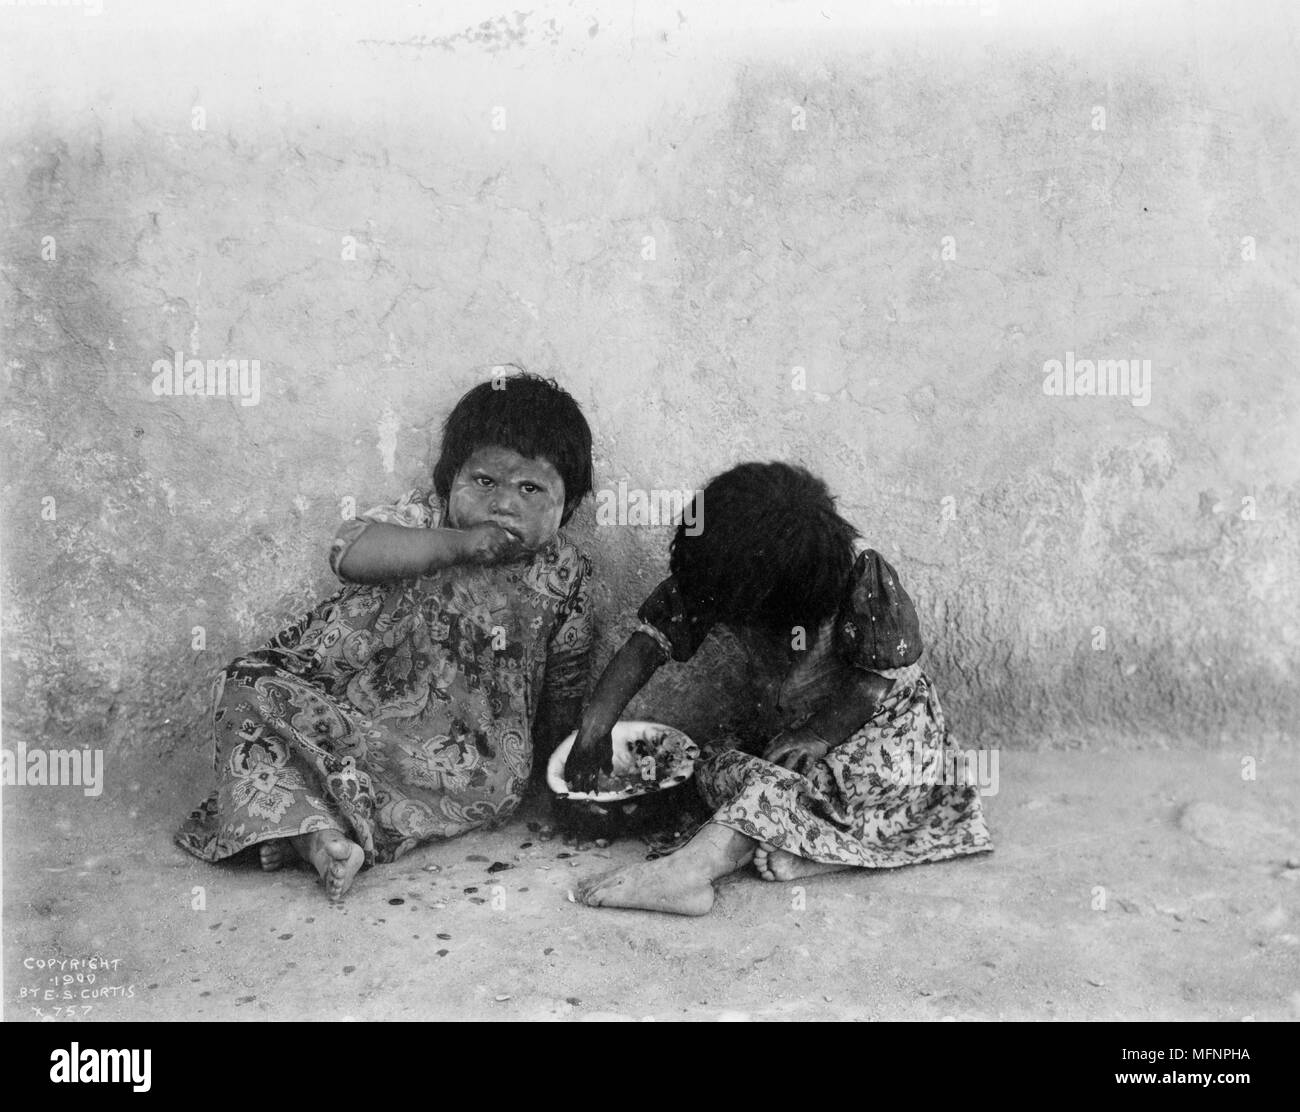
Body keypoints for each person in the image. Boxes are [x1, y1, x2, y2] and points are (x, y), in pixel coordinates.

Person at [176, 373, 594, 900]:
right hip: (346, 715)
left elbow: (566, 683)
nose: (503, 504)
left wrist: (563, 778)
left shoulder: (566, 574)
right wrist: (455, 546)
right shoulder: (424, 520)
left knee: (473, 786)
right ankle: (319, 837)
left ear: (568, 507)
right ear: (450, 480)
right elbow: (350, 553)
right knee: (244, 685)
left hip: (458, 764)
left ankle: (310, 831)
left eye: (530, 489)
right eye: (484, 481)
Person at [566, 462, 991, 915]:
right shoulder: (727, 562)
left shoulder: (859, 575)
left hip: (884, 736)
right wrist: (595, 727)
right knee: (709, 763)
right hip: (794, 734)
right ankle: (810, 849)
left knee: (805, 785)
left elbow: (876, 679)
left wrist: (818, 737)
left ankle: (691, 871)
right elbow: (650, 642)